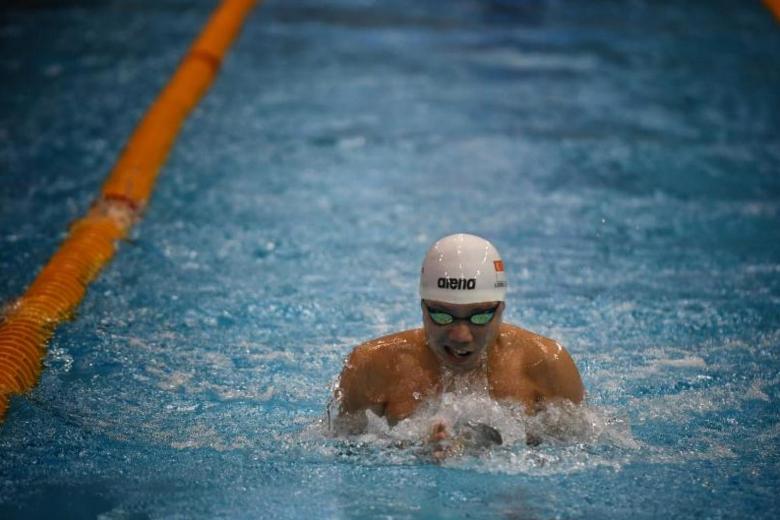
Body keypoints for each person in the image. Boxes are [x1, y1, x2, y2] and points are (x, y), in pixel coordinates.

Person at [331, 233, 584, 446]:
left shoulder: (547, 365)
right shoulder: (372, 367)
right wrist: (415, 452)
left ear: (501, 309)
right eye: (442, 315)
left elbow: (584, 452)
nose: (461, 336)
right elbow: (340, 454)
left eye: (479, 316)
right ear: (423, 307)